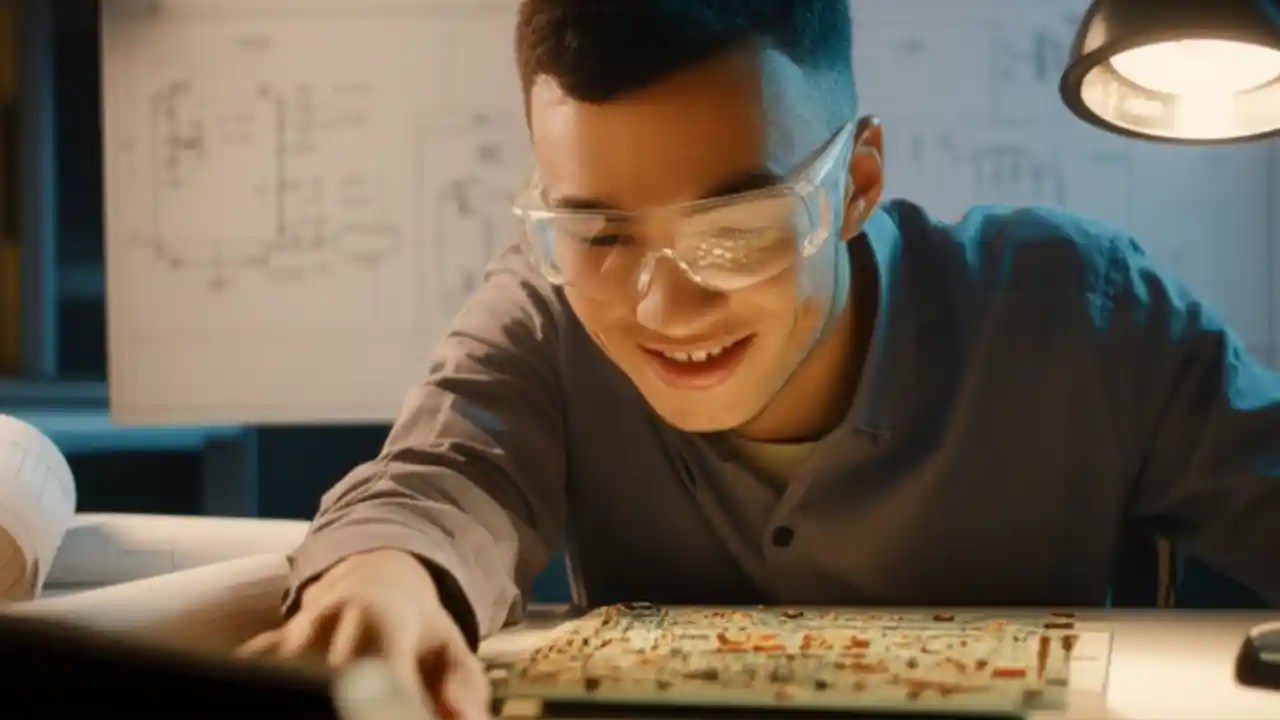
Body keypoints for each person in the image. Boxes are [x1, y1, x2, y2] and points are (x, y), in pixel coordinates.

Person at [239, 1, 1280, 717]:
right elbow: (436, 479)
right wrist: (381, 582)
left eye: (733, 226)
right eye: (598, 233)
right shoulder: (545, 314)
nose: (662, 305)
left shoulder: (1080, 312)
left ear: (857, 179)